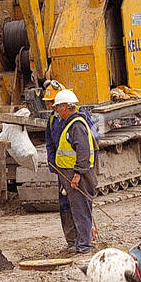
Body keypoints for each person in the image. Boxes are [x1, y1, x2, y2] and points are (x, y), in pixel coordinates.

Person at [46, 88, 98, 254]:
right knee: (75, 209)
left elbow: (83, 152)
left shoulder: (76, 126)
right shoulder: (69, 124)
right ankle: (78, 243)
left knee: (81, 210)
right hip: (68, 175)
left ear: (65, 107)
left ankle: (84, 245)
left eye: (58, 107)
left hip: (79, 176)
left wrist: (77, 175)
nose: (57, 110)